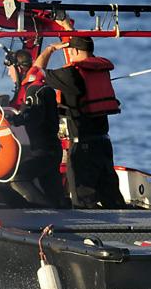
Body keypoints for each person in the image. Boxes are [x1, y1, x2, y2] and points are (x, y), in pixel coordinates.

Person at [35, 36, 128, 208]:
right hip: (104, 144)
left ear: (75, 51)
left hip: (82, 147)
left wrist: (50, 49)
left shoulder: (71, 74)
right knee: (111, 196)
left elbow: (36, 72)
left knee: (83, 200)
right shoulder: (100, 70)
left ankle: (89, 224)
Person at [4, 50, 66, 208]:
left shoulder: (34, 90)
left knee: (18, 178)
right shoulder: (42, 88)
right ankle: (60, 211)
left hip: (44, 151)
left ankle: (45, 212)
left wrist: (13, 119)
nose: (9, 74)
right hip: (51, 149)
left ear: (19, 68)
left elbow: (34, 116)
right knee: (54, 192)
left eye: (10, 69)